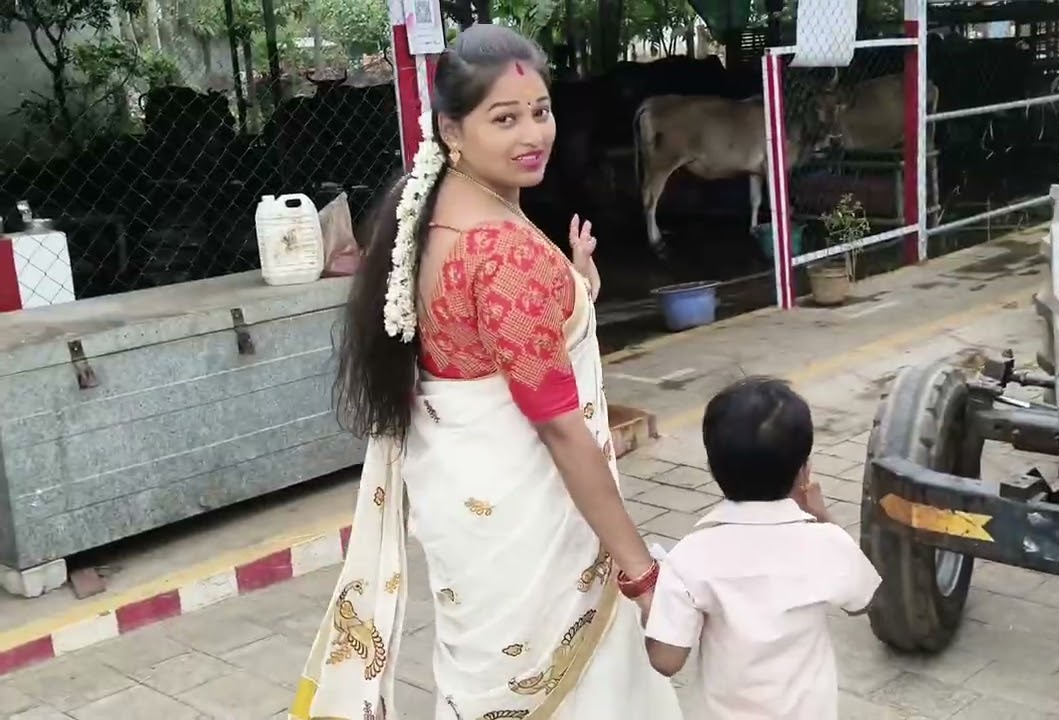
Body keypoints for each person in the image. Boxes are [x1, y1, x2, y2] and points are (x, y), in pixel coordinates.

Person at [291, 24, 681, 720]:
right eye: (505, 118)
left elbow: (473, 341)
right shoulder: (503, 252)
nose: (533, 134)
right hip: (532, 526)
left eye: (541, 111)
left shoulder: (430, 213)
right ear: (453, 130)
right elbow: (560, 429)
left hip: (470, 519)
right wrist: (639, 570)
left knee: (484, 679)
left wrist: (574, 290)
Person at [643, 377, 882, 720]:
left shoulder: (690, 557)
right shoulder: (824, 541)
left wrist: (650, 607)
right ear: (804, 472)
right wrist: (823, 518)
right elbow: (863, 601)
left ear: (712, 468)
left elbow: (666, 660)